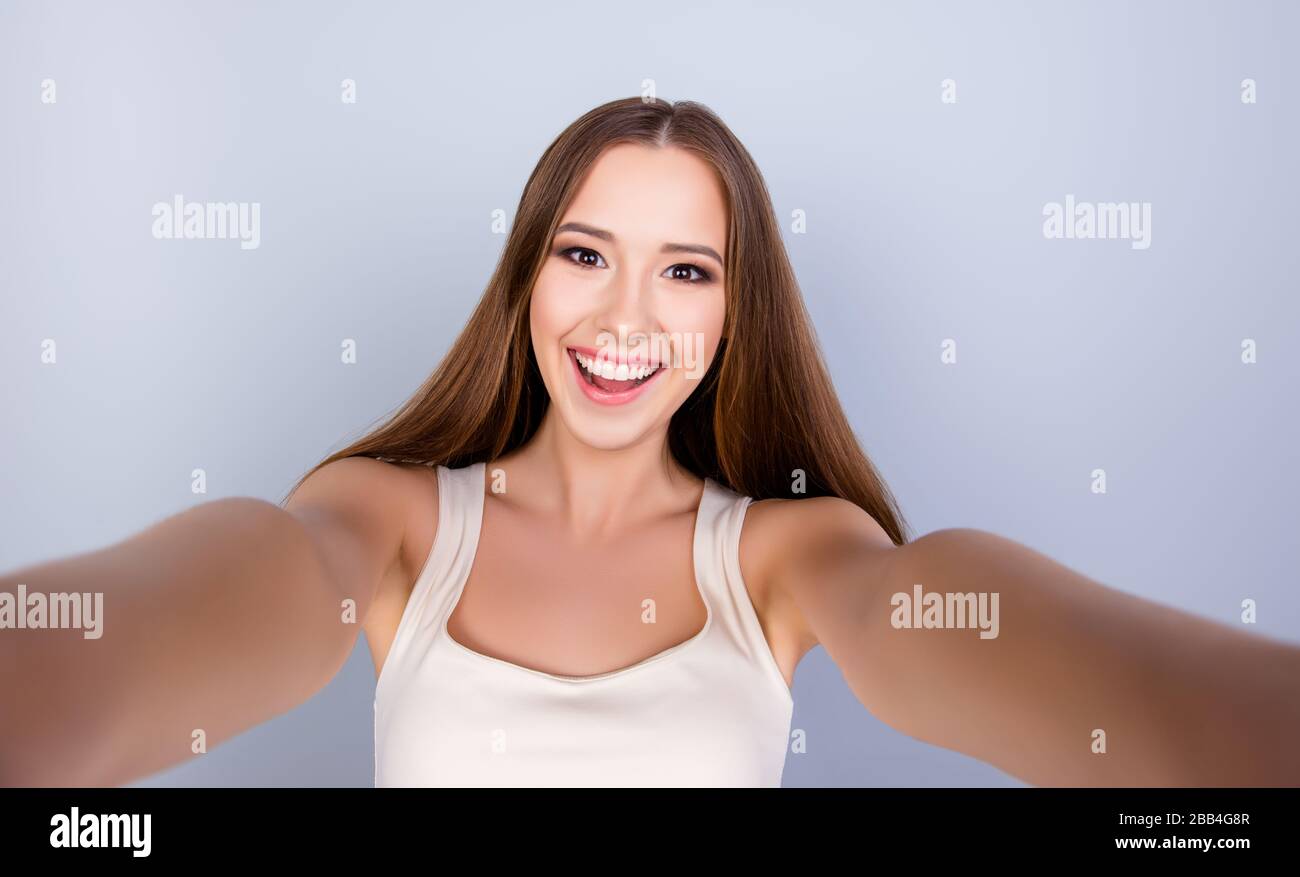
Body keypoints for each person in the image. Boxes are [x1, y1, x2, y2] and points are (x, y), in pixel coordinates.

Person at [3, 98, 1297, 787]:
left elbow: (1019, 649)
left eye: (686, 270)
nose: (626, 314)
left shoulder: (791, 551)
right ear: (526, 279)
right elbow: (187, 614)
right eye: (584, 254)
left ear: (738, 314)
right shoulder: (390, 520)